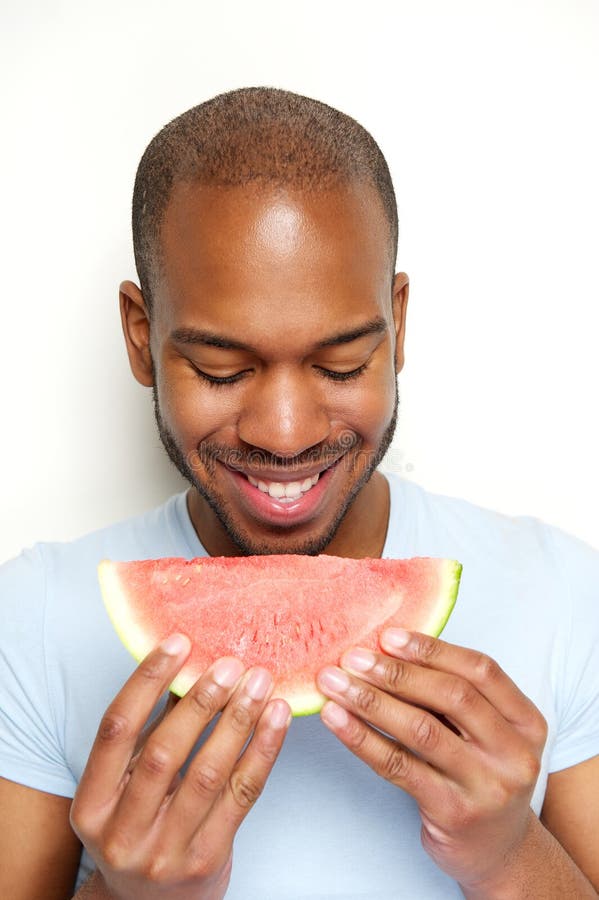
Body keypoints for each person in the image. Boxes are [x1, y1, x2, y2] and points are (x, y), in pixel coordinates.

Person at [0, 87, 598, 900]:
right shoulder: (32, 616)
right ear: (141, 336)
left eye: (341, 365)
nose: (284, 433)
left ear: (397, 322)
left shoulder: (564, 592)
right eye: (222, 370)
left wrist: (506, 852)